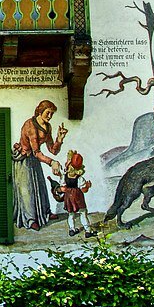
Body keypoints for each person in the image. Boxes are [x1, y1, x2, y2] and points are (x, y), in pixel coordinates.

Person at [12, 100, 67, 230]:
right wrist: (51, 162)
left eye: (52, 114)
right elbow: (36, 152)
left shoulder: (47, 127)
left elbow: (53, 150)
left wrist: (60, 139)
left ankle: (45, 213)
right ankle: (30, 219)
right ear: (40, 111)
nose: (50, 116)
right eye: (48, 113)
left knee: (41, 186)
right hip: (24, 159)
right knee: (28, 190)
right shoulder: (30, 125)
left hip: (35, 159)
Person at [60, 151, 96, 237]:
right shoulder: (80, 178)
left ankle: (72, 229)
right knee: (83, 213)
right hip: (78, 197)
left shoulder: (64, 176)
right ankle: (88, 231)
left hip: (69, 197)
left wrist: (68, 191)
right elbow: (84, 190)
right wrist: (87, 186)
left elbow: (63, 188)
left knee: (71, 214)